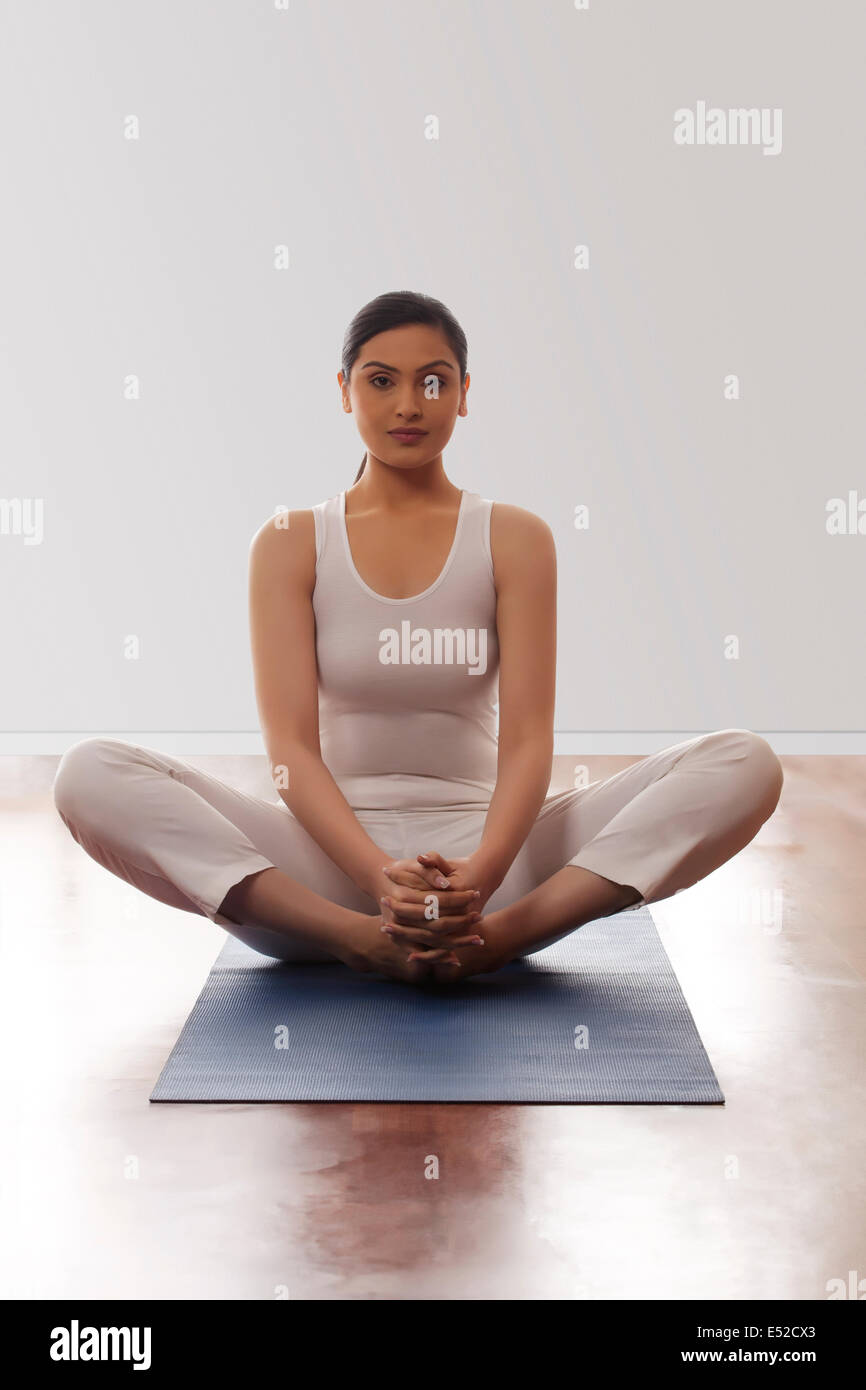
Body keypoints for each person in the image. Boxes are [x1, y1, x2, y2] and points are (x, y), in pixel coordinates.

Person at [53, 290, 784, 986]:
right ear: (344, 391)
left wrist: (486, 877)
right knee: (89, 772)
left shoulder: (516, 538)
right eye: (381, 382)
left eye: (434, 383)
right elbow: (291, 753)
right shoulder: (289, 542)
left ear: (464, 394)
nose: (409, 405)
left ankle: (498, 942)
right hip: (325, 879)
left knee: (744, 761)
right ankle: (362, 945)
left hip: (491, 872)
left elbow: (528, 741)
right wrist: (377, 881)